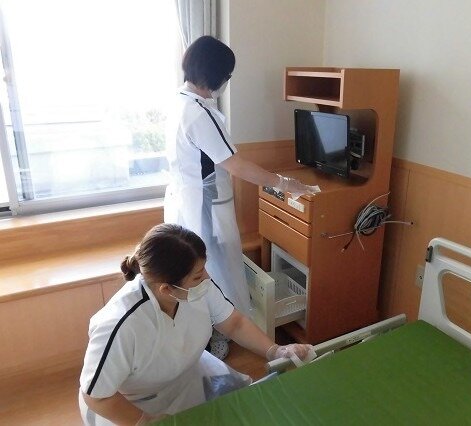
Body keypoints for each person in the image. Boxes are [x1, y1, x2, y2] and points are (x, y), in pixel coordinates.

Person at [164, 36, 318, 358]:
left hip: (187, 203)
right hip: (205, 208)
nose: (227, 81)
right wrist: (285, 183)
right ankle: (219, 335)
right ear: (216, 74)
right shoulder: (198, 113)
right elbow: (236, 165)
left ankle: (212, 333)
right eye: (227, 75)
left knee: (202, 271)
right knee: (215, 272)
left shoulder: (180, 102)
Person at [78, 223, 314, 425]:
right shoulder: (121, 325)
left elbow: (234, 324)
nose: (207, 279)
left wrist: (275, 350)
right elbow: (97, 397)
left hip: (186, 373)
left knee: (243, 408)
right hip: (133, 403)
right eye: (198, 275)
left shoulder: (196, 288)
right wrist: (146, 421)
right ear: (166, 289)